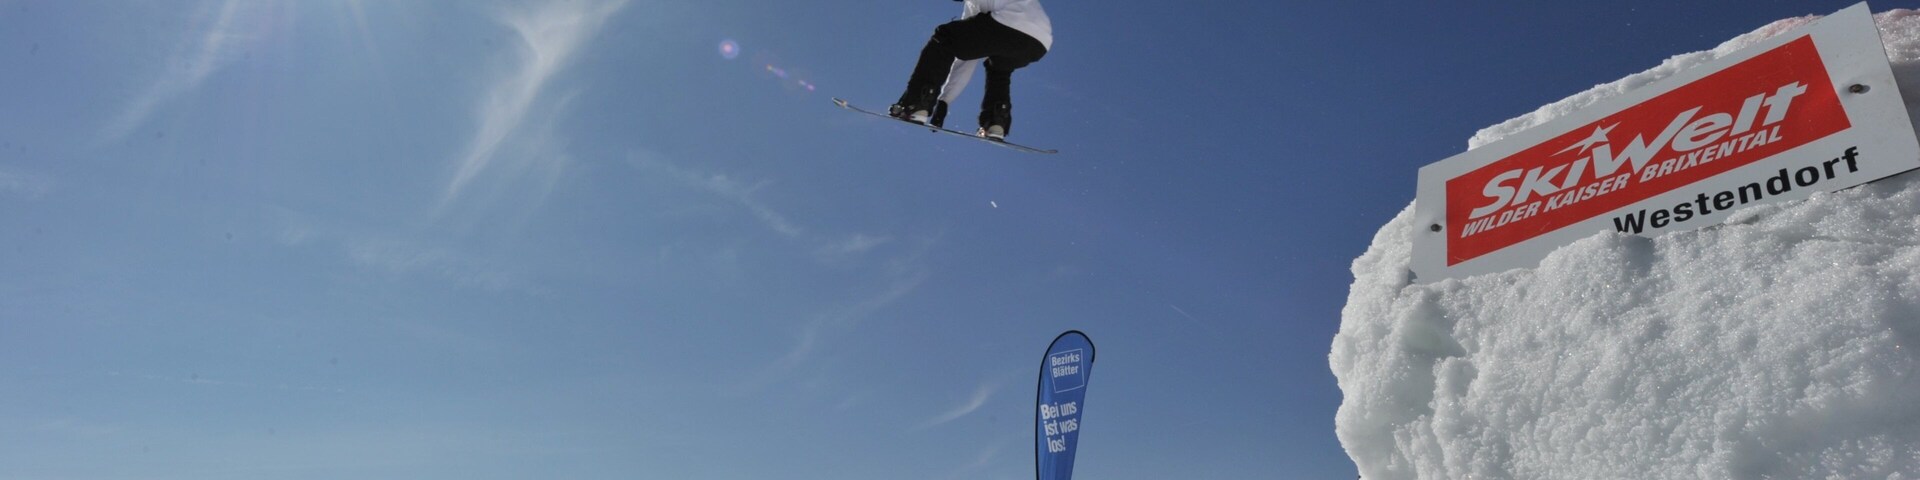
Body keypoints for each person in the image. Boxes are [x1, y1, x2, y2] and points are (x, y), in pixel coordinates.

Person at [888, 0, 1052, 140]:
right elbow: (968, 55)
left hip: (1010, 23)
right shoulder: (978, 5)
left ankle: (916, 103)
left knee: (943, 38)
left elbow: (964, 58)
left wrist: (943, 101)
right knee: (999, 68)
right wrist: (945, 101)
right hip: (1039, 41)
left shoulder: (974, 5)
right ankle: (996, 123)